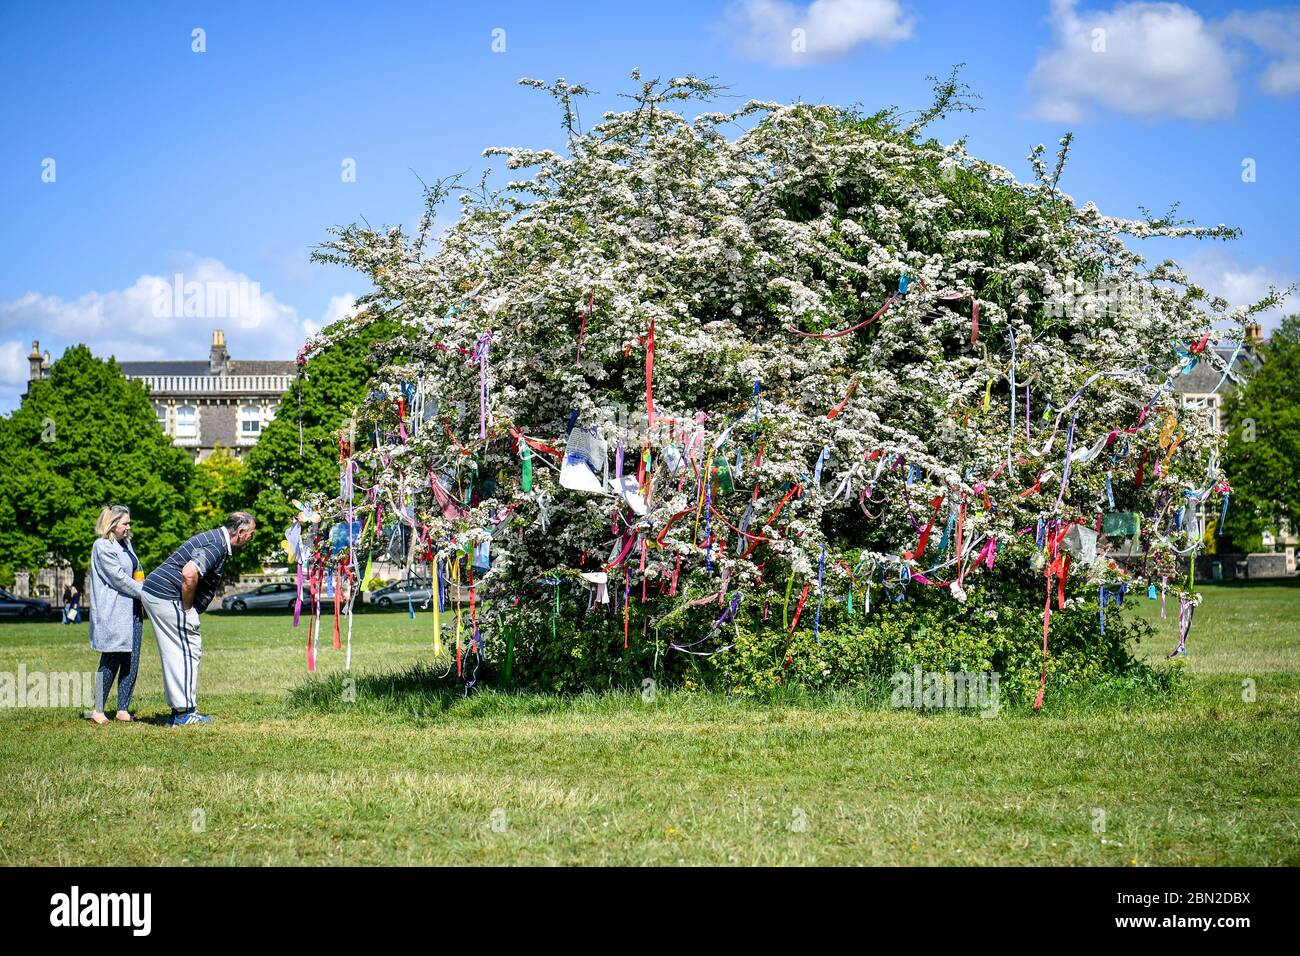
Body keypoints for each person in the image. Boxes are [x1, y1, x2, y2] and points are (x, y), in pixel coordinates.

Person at [141, 512, 256, 726]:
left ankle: (179, 712)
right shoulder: (216, 545)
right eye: (251, 534)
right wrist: (187, 609)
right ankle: (184, 713)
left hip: (158, 593)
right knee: (187, 650)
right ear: (240, 532)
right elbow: (190, 573)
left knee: (179, 651)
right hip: (169, 596)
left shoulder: (215, 540)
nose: (251, 538)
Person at [87, 505, 145, 723]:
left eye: (129, 523)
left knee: (131, 660)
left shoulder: (125, 544)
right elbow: (118, 578)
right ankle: (98, 710)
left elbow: (132, 573)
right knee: (111, 658)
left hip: (132, 610)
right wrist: (144, 591)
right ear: (112, 524)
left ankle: (123, 708)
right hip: (114, 612)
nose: (129, 527)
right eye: (125, 523)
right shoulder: (102, 547)